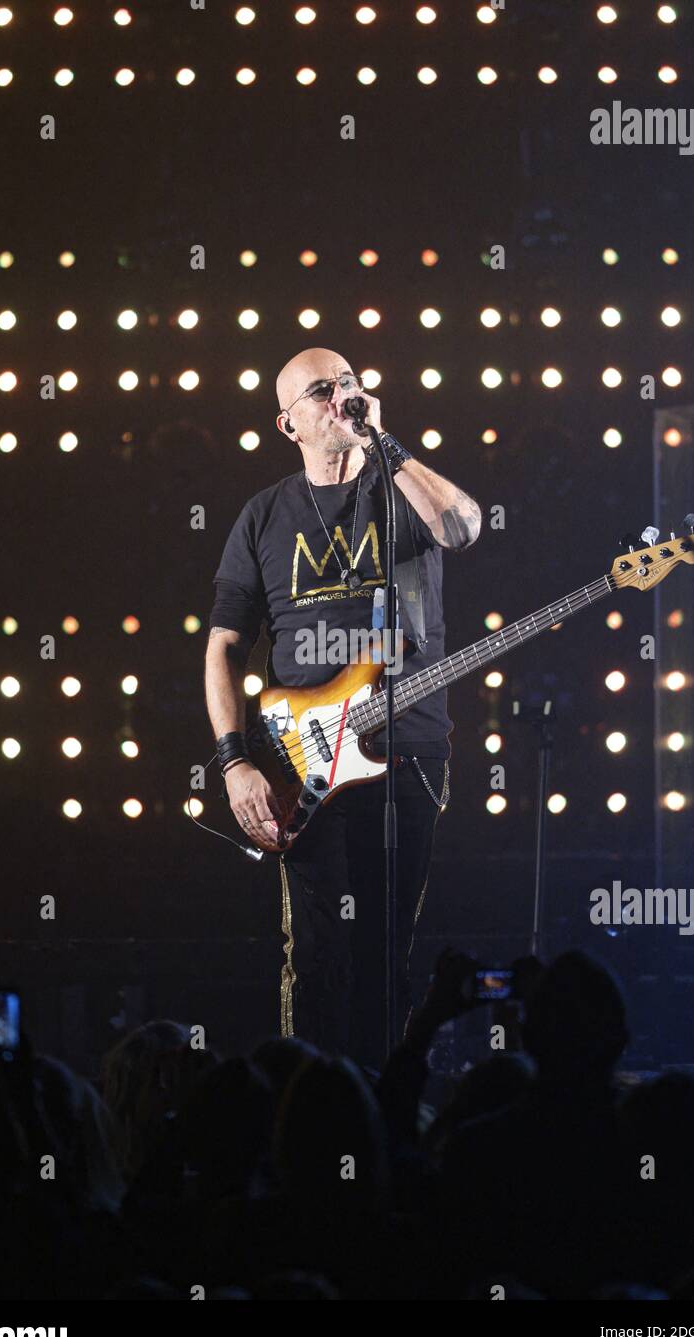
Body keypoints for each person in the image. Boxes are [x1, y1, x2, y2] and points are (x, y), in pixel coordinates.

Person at [206, 347, 481, 1066]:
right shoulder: (265, 515)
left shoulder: (398, 490)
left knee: (389, 946)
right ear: (288, 422)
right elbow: (225, 646)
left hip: (410, 747)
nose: (343, 398)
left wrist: (387, 447)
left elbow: (463, 528)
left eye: (352, 383)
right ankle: (312, 1107)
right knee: (320, 948)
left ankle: (384, 1114)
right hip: (305, 755)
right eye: (323, 392)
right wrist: (235, 762)